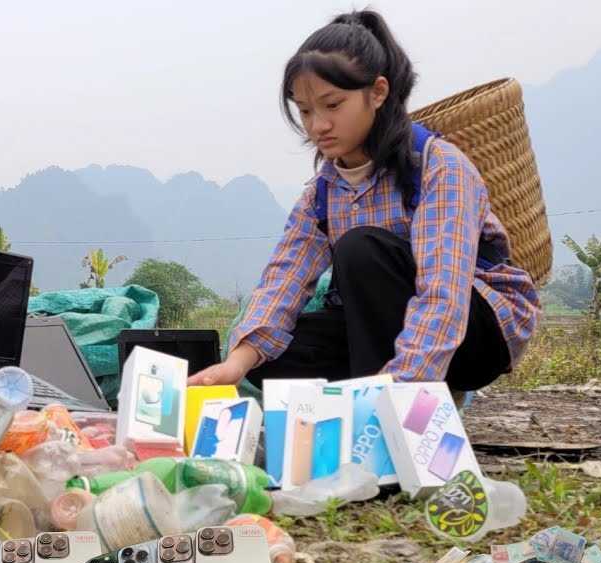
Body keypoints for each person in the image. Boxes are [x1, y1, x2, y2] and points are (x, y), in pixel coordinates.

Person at [188, 10, 540, 392]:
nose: (317, 124)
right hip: (387, 327)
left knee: (361, 249)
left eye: (332, 105)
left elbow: (443, 295)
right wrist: (236, 363)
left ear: (377, 93)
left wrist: (397, 390)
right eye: (305, 110)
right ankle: (373, 391)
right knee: (276, 358)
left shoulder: (439, 167)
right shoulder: (322, 191)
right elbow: (284, 279)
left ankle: (390, 405)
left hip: (477, 332)